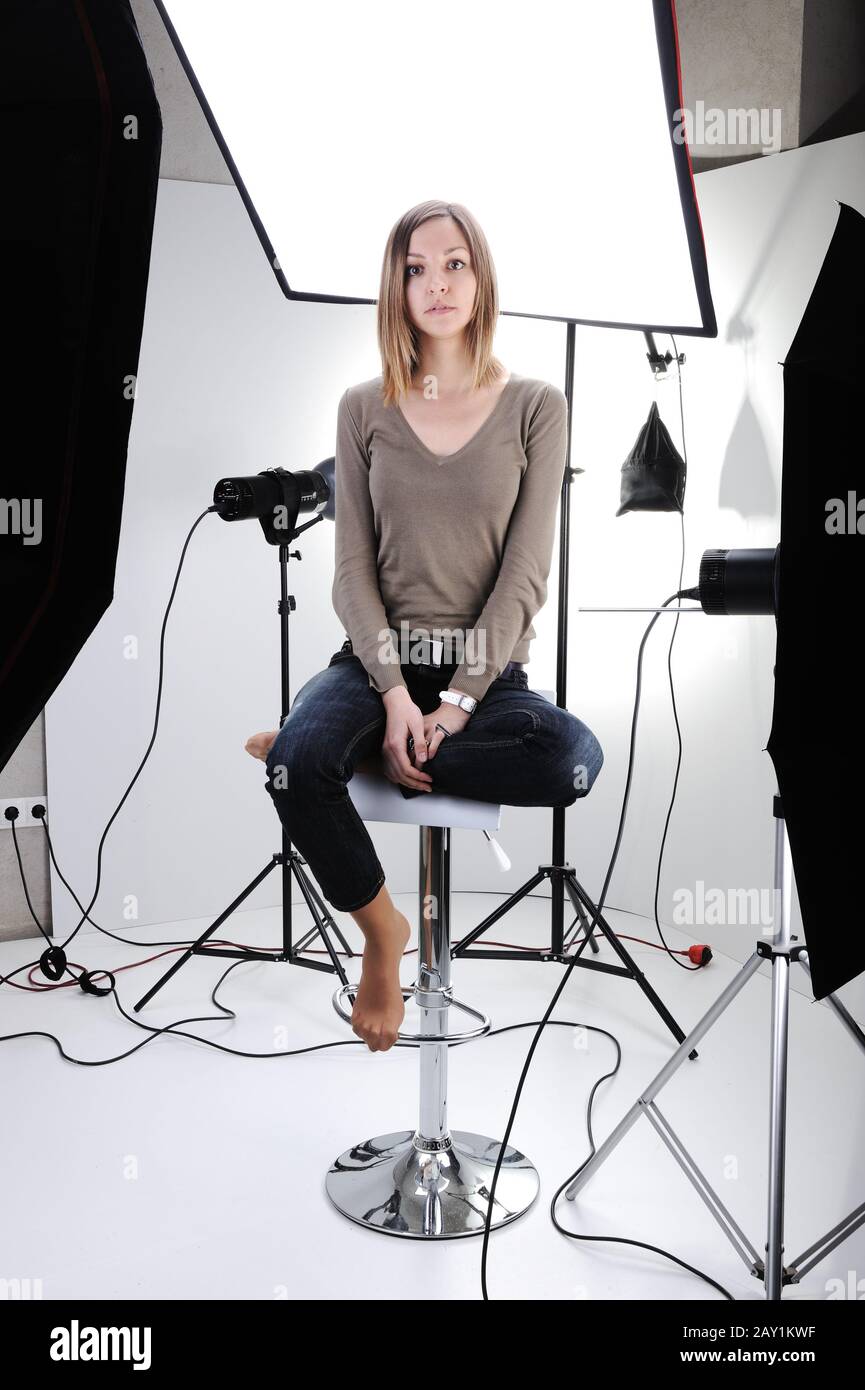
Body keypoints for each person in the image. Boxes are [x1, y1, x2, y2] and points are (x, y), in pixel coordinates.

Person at [245, 200, 603, 1054]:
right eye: (415, 269)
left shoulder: (535, 405)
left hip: (486, 678)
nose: (435, 283)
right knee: (296, 770)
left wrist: (456, 706)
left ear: (480, 279)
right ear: (394, 287)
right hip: (377, 666)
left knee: (571, 760)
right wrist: (398, 694)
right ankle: (381, 930)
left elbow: (525, 572)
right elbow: (350, 572)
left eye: (454, 264)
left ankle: (352, 752)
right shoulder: (363, 407)